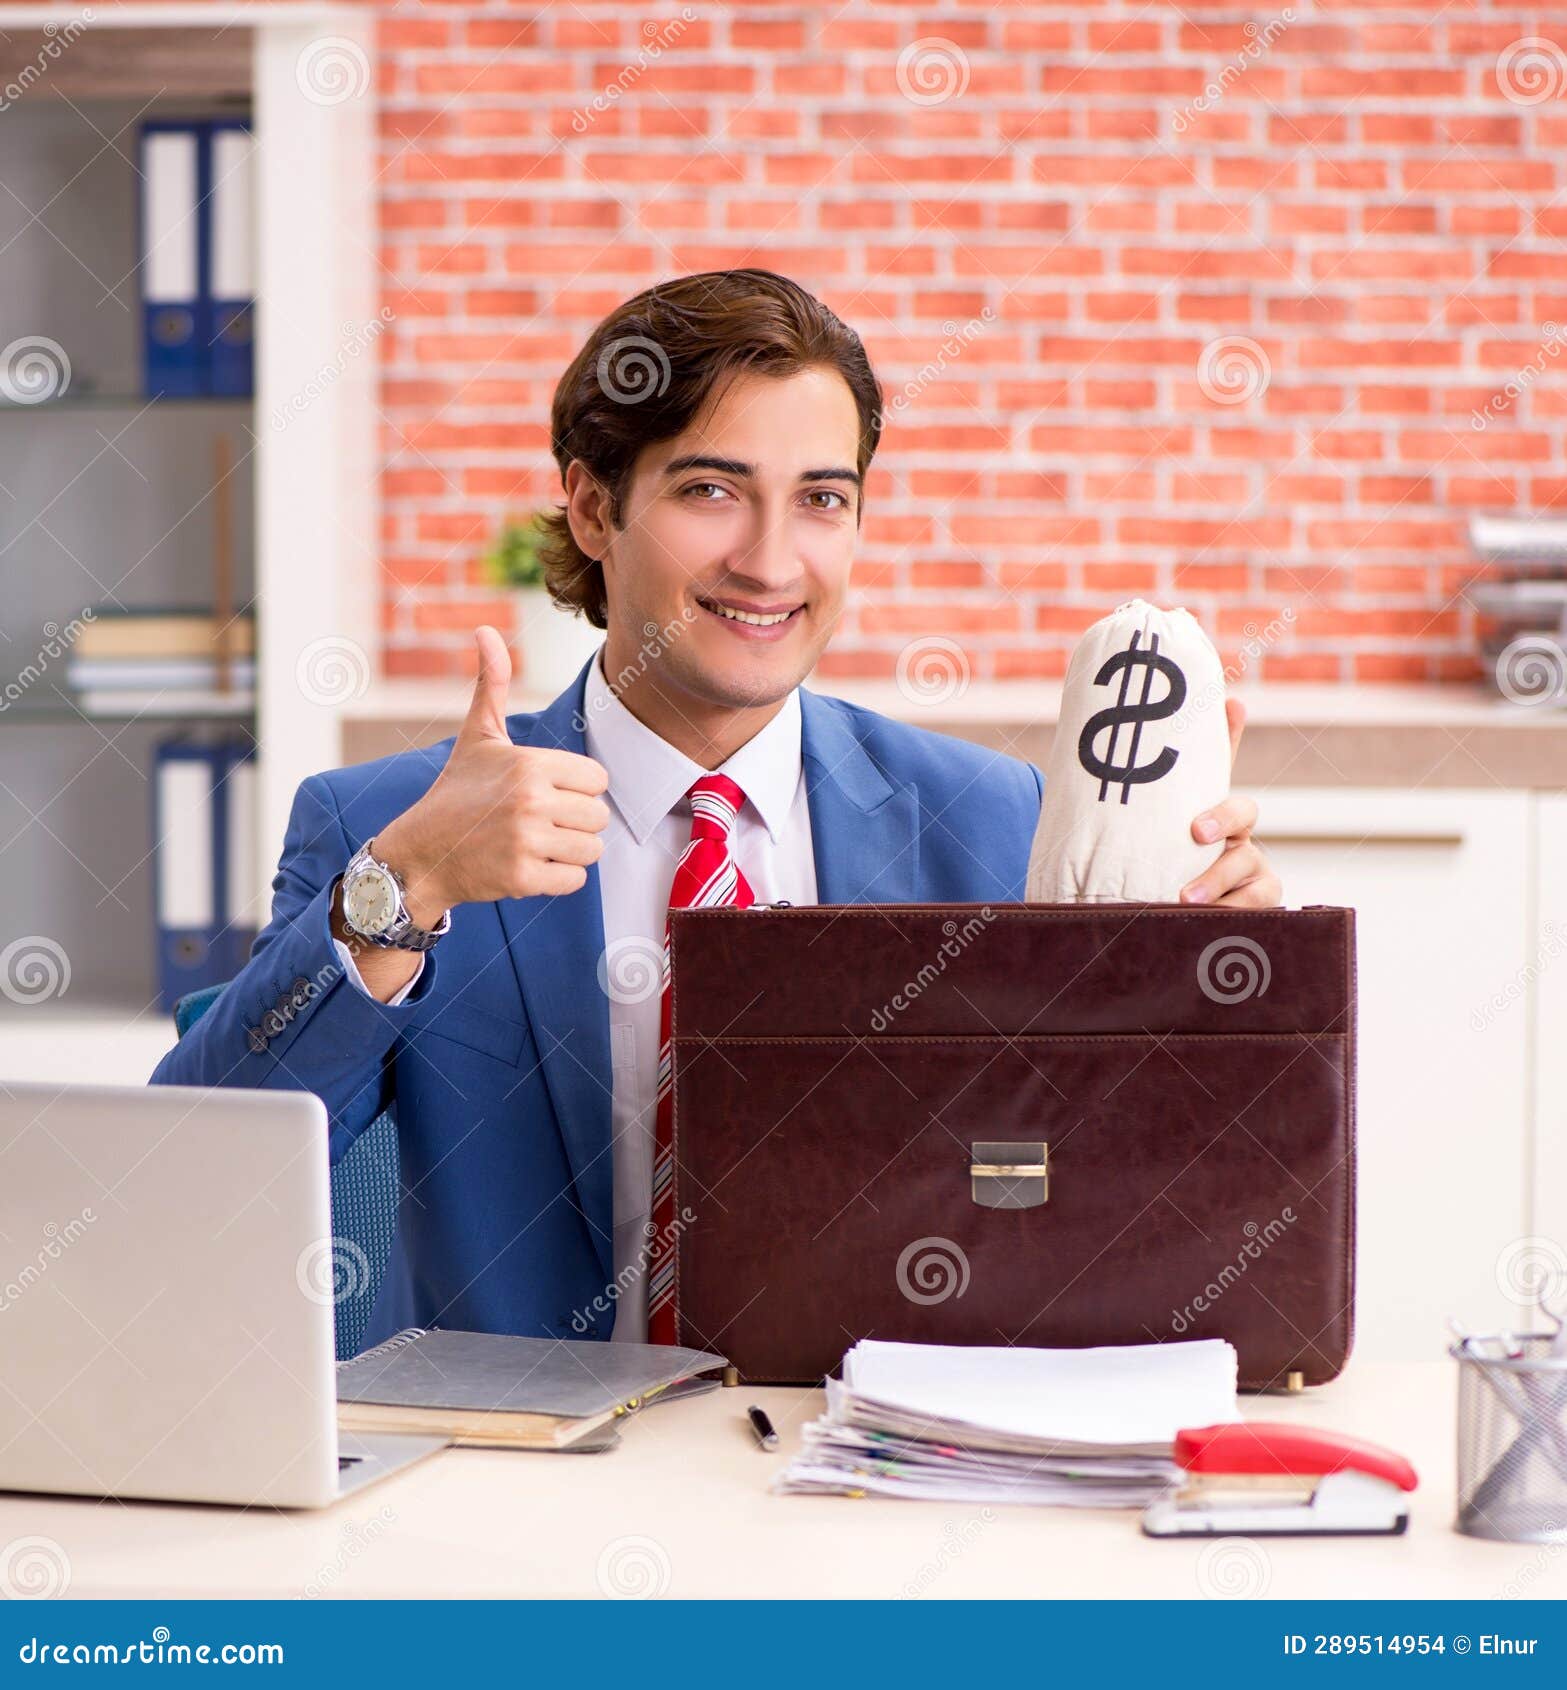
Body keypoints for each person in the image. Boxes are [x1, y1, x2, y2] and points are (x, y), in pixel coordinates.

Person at [151, 268, 1280, 1349]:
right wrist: (405, 888)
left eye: (821, 500)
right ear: (593, 509)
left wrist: (1205, 989)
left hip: (866, 1468)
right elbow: (195, 1183)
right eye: (709, 490)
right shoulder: (397, 827)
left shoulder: (985, 818)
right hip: (527, 1492)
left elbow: (1120, 1207)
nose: (770, 559)